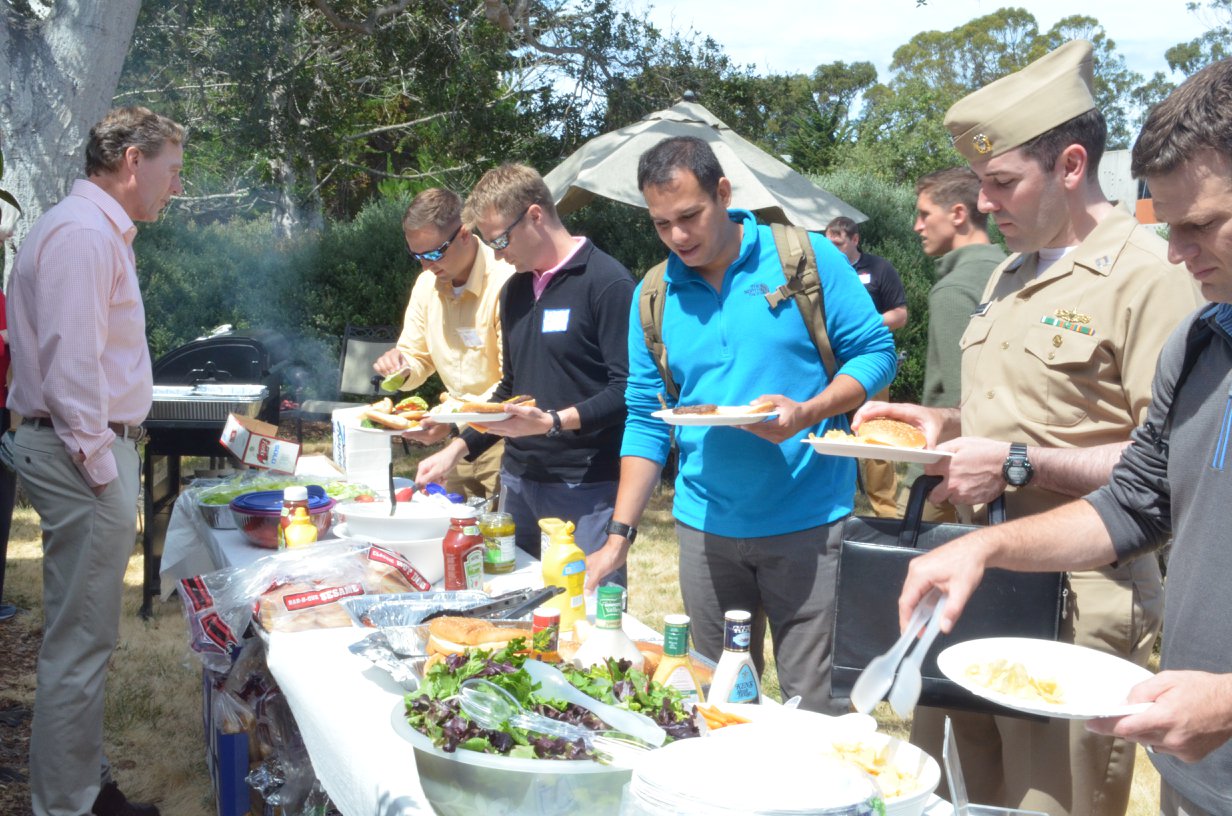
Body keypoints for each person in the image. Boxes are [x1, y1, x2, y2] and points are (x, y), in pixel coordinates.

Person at [855, 40, 1203, 816]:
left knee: (1050, 804)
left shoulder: (1153, 277)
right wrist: (937, 424)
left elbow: (1174, 467)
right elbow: (1016, 414)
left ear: (1072, 166)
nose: (983, 202)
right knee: (947, 791)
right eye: (980, 183)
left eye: (1002, 181)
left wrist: (1017, 463)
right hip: (974, 579)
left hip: (1079, 605)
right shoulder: (1013, 274)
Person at [585, 136, 896, 714]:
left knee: (817, 707)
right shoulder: (654, 293)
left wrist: (810, 412)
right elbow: (645, 418)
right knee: (720, 700)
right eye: (661, 224)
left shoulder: (804, 258)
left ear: (723, 193)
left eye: (689, 215)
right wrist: (619, 536)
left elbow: (877, 353)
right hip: (704, 531)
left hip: (810, 522)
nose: (678, 236)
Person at [8, 106, 183, 816]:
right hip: (80, 450)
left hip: (78, 445)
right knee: (80, 644)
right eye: (171, 169)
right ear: (133, 161)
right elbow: (71, 365)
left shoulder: (88, 229)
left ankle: (80, 785)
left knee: (82, 637)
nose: (176, 185)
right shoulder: (84, 235)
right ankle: (68, 805)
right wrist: (103, 467)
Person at [415, 164, 634, 583]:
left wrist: (554, 423)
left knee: (582, 615)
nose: (496, 254)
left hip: (585, 488)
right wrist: (456, 449)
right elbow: (511, 390)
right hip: (516, 483)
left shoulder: (607, 282)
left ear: (535, 216)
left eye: (500, 239)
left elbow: (625, 390)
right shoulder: (514, 290)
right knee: (514, 605)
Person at [371, 188, 515, 500]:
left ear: (464, 233)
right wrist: (401, 365)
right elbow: (417, 357)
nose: (426, 266)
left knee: (502, 538)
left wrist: (451, 418)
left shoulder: (507, 280)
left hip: (507, 436)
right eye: (417, 256)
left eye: (434, 254)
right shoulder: (427, 285)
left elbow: (512, 382)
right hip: (458, 434)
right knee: (457, 535)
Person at [901, 167, 1005, 520]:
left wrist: (921, 472)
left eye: (924, 214)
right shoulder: (1012, 270)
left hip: (949, 468)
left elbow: (960, 397)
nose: (917, 226)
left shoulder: (953, 289)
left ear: (958, 214)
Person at [825, 215, 907, 517]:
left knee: (875, 437)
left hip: (870, 364)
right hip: (829, 367)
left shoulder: (878, 269)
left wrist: (865, 326)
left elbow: (900, 314)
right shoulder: (823, 271)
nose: (833, 249)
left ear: (855, 240)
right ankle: (832, 508)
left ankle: (886, 513)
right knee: (829, 435)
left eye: (839, 243)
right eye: (828, 243)